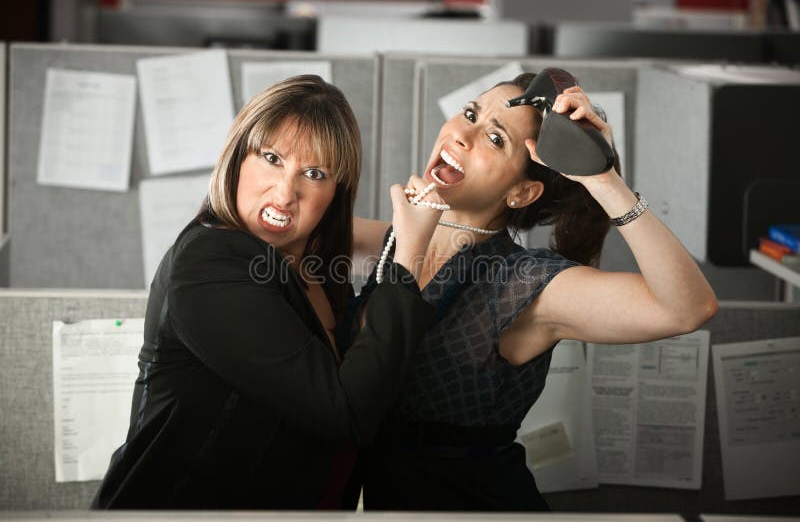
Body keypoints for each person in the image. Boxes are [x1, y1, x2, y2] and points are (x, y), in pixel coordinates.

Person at [349, 71, 719, 511]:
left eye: (495, 138)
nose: (461, 135)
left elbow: (688, 309)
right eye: (470, 113)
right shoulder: (400, 238)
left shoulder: (524, 283)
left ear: (522, 193)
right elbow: (277, 228)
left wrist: (603, 180)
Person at [91, 75, 442, 509]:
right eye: (271, 158)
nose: (285, 193)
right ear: (237, 158)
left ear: (335, 192)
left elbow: (416, 237)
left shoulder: (309, 262)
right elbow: (346, 411)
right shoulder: (208, 264)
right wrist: (407, 260)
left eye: (314, 174)